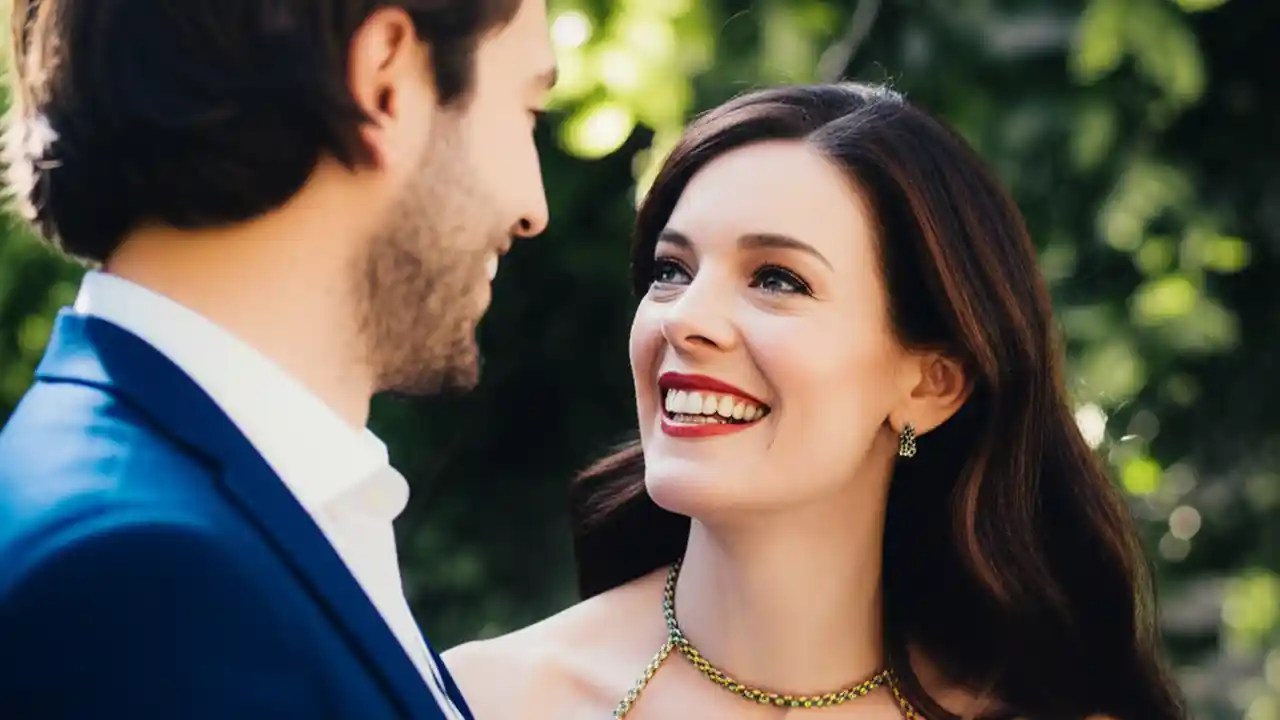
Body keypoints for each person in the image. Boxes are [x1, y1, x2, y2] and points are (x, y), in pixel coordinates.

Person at [444, 83, 1187, 720]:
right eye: (672, 269)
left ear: (931, 384)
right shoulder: (484, 699)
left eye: (777, 280)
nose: (683, 317)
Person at [0, 0, 554, 717]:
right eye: (526, 111)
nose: (533, 206)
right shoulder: (144, 583)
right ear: (385, 80)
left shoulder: (228, 511)